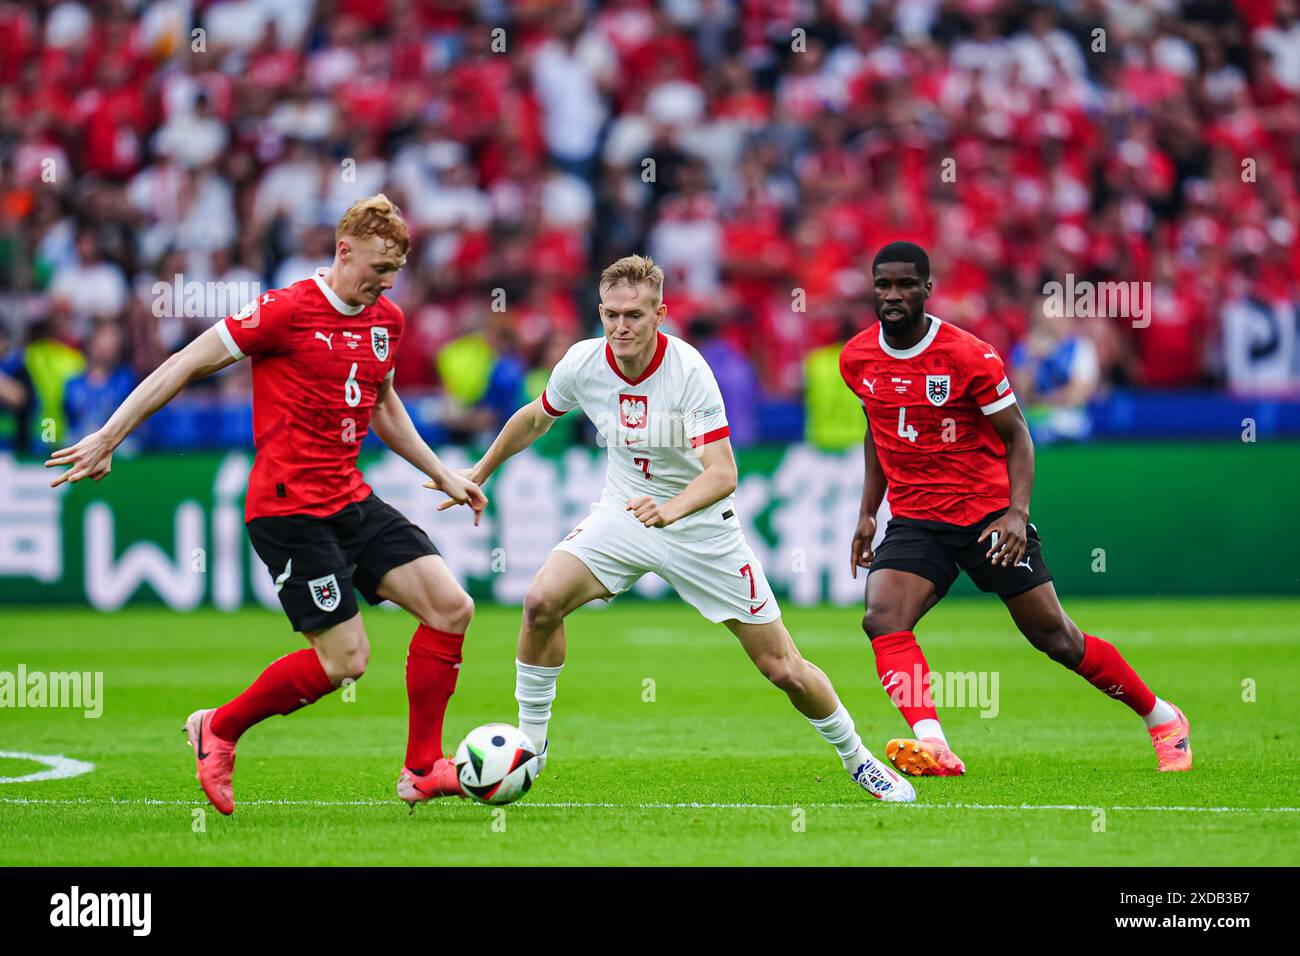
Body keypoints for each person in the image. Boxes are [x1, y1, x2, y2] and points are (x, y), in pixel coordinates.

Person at [45, 195, 487, 814]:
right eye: (375, 268)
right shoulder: (284, 310)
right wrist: (109, 435)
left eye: (393, 273)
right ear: (343, 249)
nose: (383, 284)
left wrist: (441, 473)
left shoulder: (385, 318)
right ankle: (219, 727)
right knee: (346, 662)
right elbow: (184, 362)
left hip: (349, 496)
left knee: (450, 607)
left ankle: (420, 769)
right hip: (288, 510)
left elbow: (383, 405)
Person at [445, 255, 915, 802]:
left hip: (700, 529)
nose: (622, 327)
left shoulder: (689, 372)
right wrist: (480, 470)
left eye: (635, 316)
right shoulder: (583, 362)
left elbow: (724, 473)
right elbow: (534, 417)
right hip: (623, 514)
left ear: (660, 314)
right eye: (612, 315)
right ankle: (531, 743)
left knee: (782, 667)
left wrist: (671, 510)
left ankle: (858, 758)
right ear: (600, 313)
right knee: (539, 602)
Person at [840, 241, 1190, 777]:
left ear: (927, 289)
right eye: (883, 284)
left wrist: (1016, 514)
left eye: (906, 284)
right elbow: (878, 429)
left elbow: (1018, 437)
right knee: (883, 616)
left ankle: (1162, 718)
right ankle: (933, 744)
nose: (893, 295)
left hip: (987, 517)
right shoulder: (857, 358)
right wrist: (869, 511)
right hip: (917, 519)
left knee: (1056, 638)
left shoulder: (967, 355)